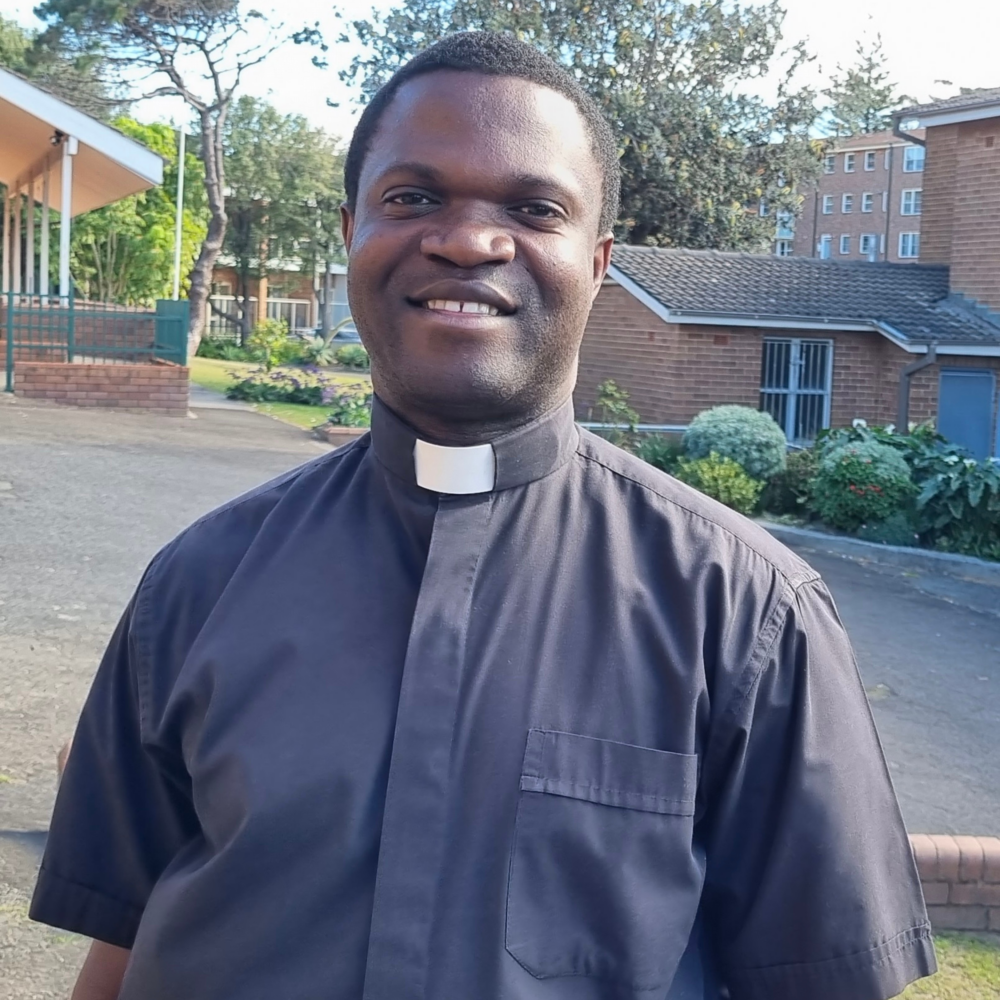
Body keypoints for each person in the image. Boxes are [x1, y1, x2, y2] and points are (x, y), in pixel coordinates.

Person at [31, 31, 935, 1000]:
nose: (467, 240)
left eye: (533, 208)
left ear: (597, 261)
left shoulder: (746, 614)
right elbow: (122, 944)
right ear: (349, 231)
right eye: (412, 198)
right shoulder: (196, 582)